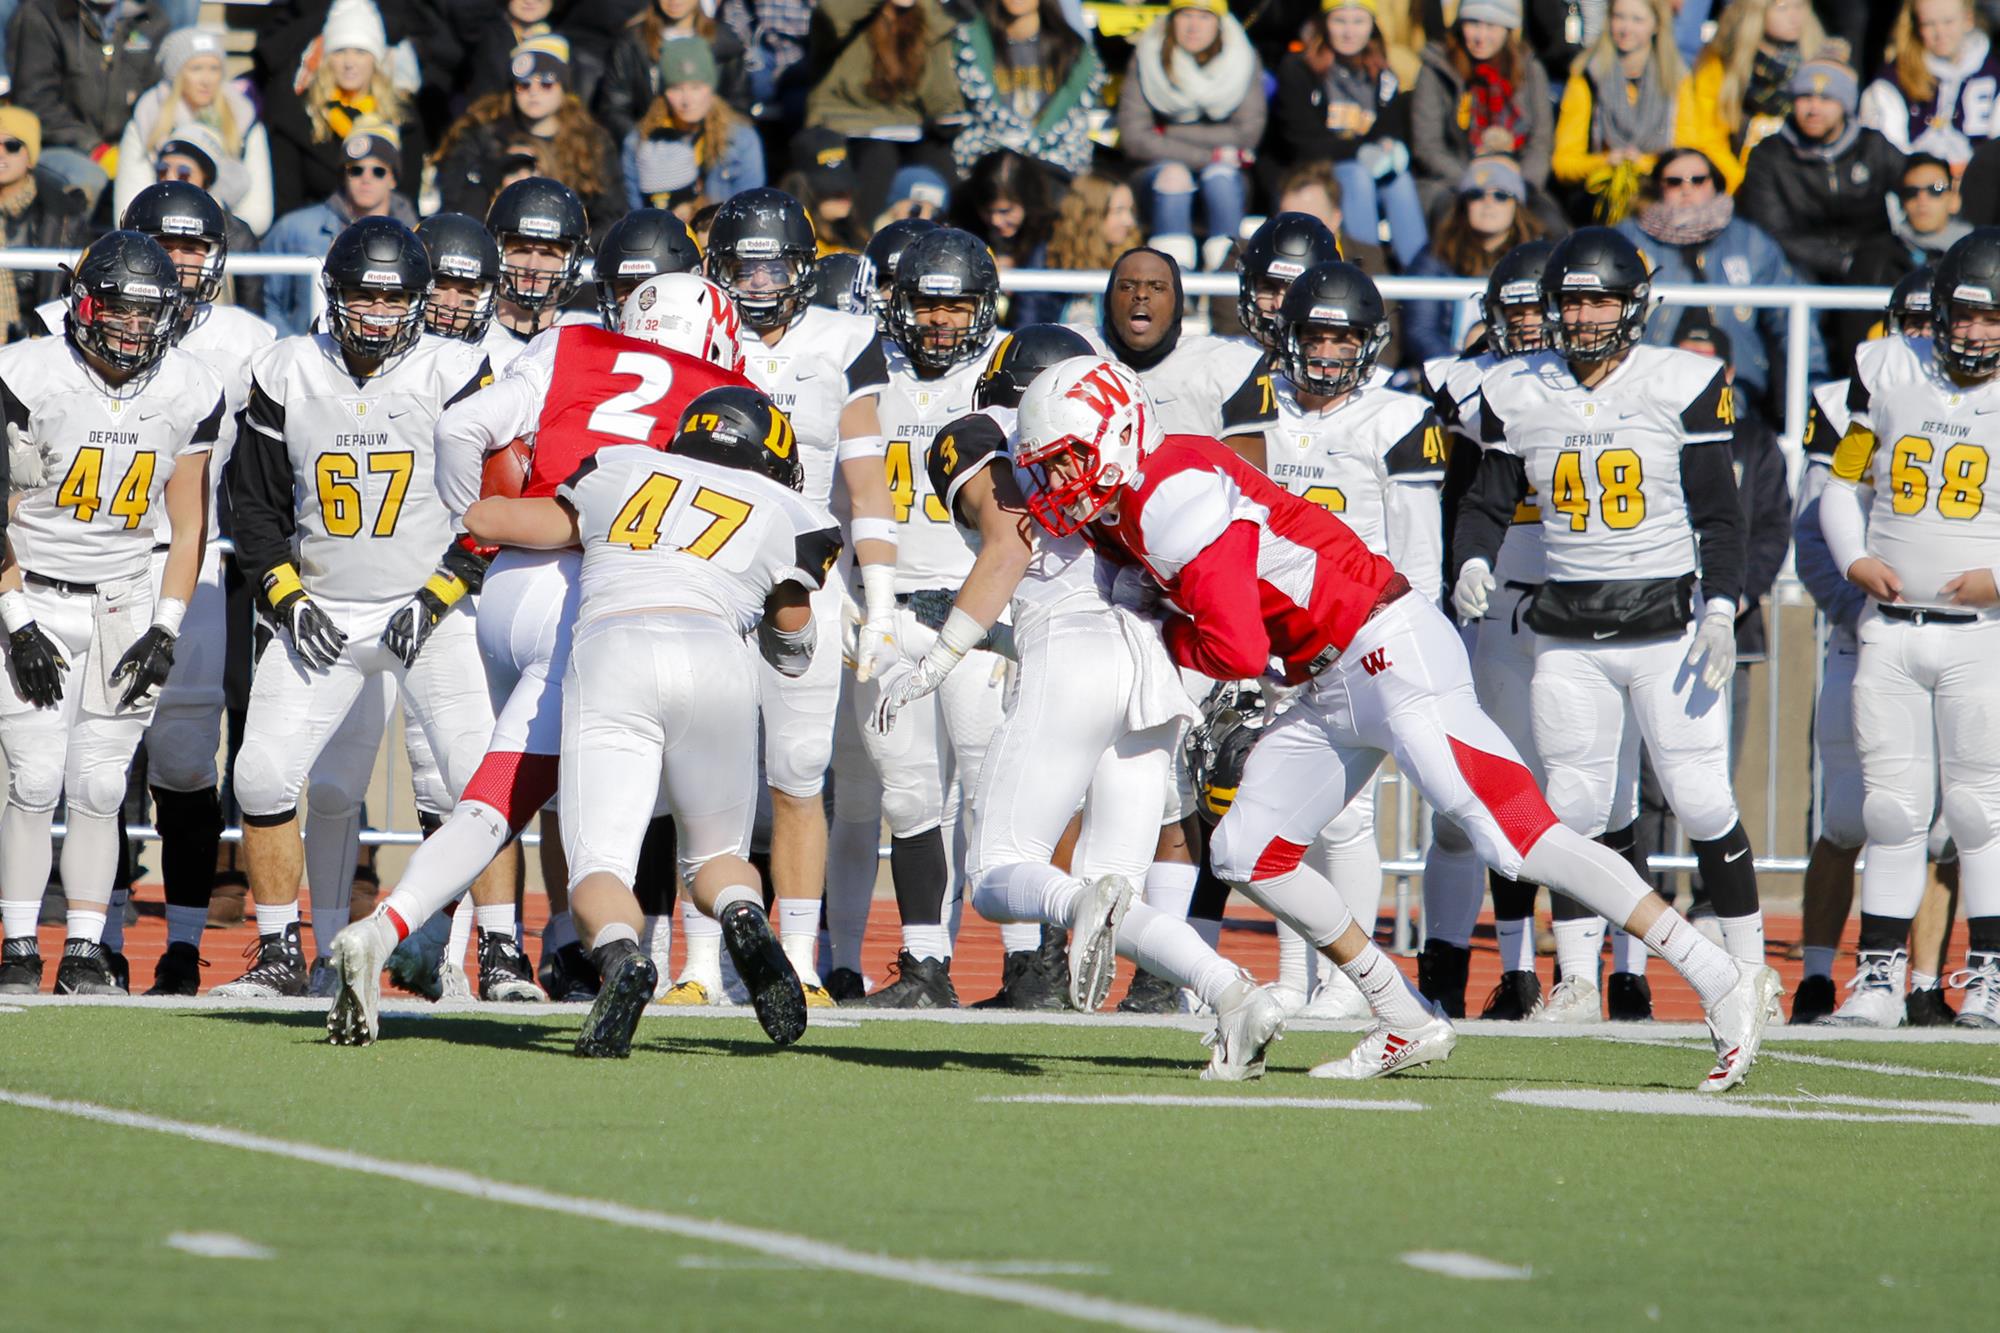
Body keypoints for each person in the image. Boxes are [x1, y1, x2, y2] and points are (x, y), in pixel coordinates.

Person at [1013, 355, 1783, 1088]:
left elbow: (1238, 644)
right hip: (1322, 680)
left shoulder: (1172, 489)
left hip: (1386, 648)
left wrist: (1163, 628)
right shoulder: (1126, 501)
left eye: (1066, 457)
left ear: (1117, 432)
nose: (1058, 480)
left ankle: (1722, 976)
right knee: (1247, 851)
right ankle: (1402, 1014)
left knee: (1514, 836)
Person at [340, 385, 834, 1056]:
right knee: (718, 858)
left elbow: (492, 522)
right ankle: (745, 914)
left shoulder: (622, 467)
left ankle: (622, 953)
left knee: (598, 866)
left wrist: (485, 493)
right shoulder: (790, 508)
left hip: (610, 652)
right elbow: (793, 644)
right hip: (714, 655)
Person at [328, 271, 756, 1021]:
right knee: (542, 797)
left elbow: (460, 429)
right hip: (601, 595)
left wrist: (476, 524)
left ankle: (426, 927)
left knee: (518, 785)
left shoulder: (570, 341)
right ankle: (408, 926)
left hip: (512, 585)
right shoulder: (722, 389)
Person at [872, 328, 1291, 1058]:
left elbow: (1012, 551)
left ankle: (1073, 903)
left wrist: (938, 658)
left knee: (999, 873)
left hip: (1073, 656)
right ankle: (1232, 992)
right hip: (1150, 665)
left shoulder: (980, 435)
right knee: (1117, 892)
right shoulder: (1114, 450)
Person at [1453, 226, 1767, 1024]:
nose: (1585, 315)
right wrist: (1473, 559)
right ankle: (1580, 981)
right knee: (1574, 809)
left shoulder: (1680, 380)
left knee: (1699, 799)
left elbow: (1719, 515)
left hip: (1667, 627)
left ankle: (1754, 970)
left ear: (1634, 304)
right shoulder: (1518, 388)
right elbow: (1488, 500)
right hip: (1568, 632)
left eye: (1599, 299)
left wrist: (1724, 606)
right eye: (1571, 299)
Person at [209, 218, 500, 999]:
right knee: (264, 774)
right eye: (363, 295)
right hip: (323, 608)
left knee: (476, 778)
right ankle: (277, 955)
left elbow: (500, 499)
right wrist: (283, 593)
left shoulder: (458, 368)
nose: (376, 312)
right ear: (333, 295)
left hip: (429, 608)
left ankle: (470, 959)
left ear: (418, 301)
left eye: (392, 297)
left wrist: (445, 588)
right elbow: (256, 505)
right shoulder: (286, 367)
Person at [0, 232, 221, 997]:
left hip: (126, 595)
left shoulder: (188, 386)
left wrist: (166, 625)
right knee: (31, 776)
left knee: (98, 785)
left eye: (146, 314)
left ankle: (88, 950)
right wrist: (14, 613)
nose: (131, 328)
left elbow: (189, 525)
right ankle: (21, 944)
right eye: (118, 310)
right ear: (85, 302)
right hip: (31, 590)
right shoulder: (27, 372)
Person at [701, 188, 902, 1004]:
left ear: (801, 269)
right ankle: (698, 964)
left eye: (772, 264)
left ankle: (797, 959)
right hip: (709, 577)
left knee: (799, 769)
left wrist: (880, 596)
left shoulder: (845, 342)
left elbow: (865, 479)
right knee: (707, 775)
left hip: (807, 583)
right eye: (741, 265)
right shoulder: (697, 331)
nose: (754, 282)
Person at [1254, 263, 1450, 1017]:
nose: (1328, 351)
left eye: (1343, 336)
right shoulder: (1258, 408)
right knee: (1273, 810)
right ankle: (1293, 975)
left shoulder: (1395, 419)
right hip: (1272, 636)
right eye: (1315, 334)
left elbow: (1418, 555)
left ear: (1367, 344)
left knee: (1344, 817)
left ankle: (1347, 979)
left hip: (1356, 635)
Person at [1817, 228, 2000, 1031]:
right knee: (1891, 811)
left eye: (1994, 318)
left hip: (1981, 629)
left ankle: (1990, 975)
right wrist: (1853, 557)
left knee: (1979, 809)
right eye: (1965, 314)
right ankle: (1879, 977)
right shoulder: (1890, 370)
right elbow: (1839, 480)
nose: (1976, 331)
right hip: (1888, 627)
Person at [110, 183, 278, 995]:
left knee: (182, 761)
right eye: (164, 243)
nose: (180, 262)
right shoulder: (60, 335)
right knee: (90, 758)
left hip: (198, 556)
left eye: (194, 247)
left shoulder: (248, 341)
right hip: (91, 555)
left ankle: (180, 946)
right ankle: (95, 935)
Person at [846, 226, 1010, 1007]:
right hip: (888, 609)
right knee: (909, 796)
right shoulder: (865, 368)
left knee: (992, 795)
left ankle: (1032, 966)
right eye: (926, 303)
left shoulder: (1009, 372)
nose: (941, 320)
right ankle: (924, 963)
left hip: (979, 617)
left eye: (958, 305)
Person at [1417, 238, 1564, 1019]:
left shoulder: (1598, 386)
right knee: (1457, 803)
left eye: (1549, 308)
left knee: (1555, 795)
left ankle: (1537, 971)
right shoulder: (1457, 382)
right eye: (1521, 310)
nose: (1536, 325)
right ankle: (1442, 961)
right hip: (1478, 598)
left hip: (1570, 604)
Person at [1620, 146, 1826, 415]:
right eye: (1674, 182)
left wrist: (1813, 388)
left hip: (1737, 390)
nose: (1687, 189)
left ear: (1715, 184)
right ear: (1658, 188)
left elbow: (1791, 321)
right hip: (1649, 390)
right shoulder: (1628, 240)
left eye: (1698, 180)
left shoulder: (1750, 241)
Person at [1083, 247, 1274, 466]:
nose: (1141, 295)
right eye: (1127, 286)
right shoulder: (1070, 352)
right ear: (1108, 299)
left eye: (1157, 287)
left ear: (1177, 303)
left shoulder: (1230, 368)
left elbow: (1245, 492)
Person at [1271, 0, 1427, 267]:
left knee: (1398, 180)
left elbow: (1390, 130)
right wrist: (1361, 150)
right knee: (1357, 174)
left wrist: (1390, 147)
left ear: (1372, 27)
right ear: (1324, 24)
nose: (1349, 32)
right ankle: (1365, 270)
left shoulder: (1384, 76)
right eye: (1340, 21)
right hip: (1313, 170)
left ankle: (1422, 275)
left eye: (1358, 22)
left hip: (1367, 171)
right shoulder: (1298, 68)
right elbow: (1303, 142)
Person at [1118, 0, 1266, 276]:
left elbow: (1247, 134)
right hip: (1156, 173)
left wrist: (1170, 133)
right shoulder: (1148, 56)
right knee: (1174, 176)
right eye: (1186, 14)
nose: (1193, 26)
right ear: (1173, 18)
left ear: (1219, 23)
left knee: (1220, 177)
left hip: (1226, 173)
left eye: (1204, 16)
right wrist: (1210, 154)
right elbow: (1136, 137)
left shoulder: (1242, 58)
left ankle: (1226, 277)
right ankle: (1174, 278)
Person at [1737, 56, 1907, 288]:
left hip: (1872, 266)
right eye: (1805, 97)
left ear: (1845, 104)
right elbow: (1773, 231)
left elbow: (1915, 186)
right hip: (1800, 271)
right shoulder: (1769, 155)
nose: (1814, 109)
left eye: (1826, 99)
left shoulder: (1872, 146)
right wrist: (1843, 262)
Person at [436, 34, 626, 230]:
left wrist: (574, 244)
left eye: (546, 83)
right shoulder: (481, 135)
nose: (533, 92)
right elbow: (456, 210)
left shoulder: (592, 140)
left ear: (564, 87)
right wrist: (491, 175)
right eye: (523, 84)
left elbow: (611, 215)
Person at [803, 0, 963, 225]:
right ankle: (866, 243)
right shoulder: (845, 17)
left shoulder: (927, 16)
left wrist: (948, 116)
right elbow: (830, 15)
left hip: (907, 127)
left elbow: (941, 97)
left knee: (939, 157)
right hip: (845, 121)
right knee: (878, 156)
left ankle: (954, 244)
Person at [262, 2, 422, 221]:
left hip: (384, 233)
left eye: (360, 52)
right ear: (326, 58)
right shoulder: (297, 117)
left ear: (375, 59)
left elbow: (407, 196)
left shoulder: (403, 119)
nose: (349, 63)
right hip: (315, 236)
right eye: (340, 51)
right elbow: (287, 205)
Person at [6, 0, 171, 207]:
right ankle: (71, 238)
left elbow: (157, 98)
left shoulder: (152, 18)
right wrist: (93, 148)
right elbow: (36, 102)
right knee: (87, 178)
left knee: (174, 172)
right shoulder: (43, 14)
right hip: (58, 146)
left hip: (128, 145)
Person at [262, 120, 418, 338]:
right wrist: (294, 346)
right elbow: (265, 297)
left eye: (378, 171)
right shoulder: (294, 228)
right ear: (344, 176)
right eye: (356, 170)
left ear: (393, 178)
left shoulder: (416, 238)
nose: (366, 178)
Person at [112, 26, 274, 236]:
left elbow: (258, 214)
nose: (206, 80)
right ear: (176, 74)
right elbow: (128, 209)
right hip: (157, 236)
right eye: (196, 68)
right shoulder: (147, 119)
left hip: (228, 237)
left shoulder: (245, 120)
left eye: (214, 68)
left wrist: (214, 225)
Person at [1409, 0, 1559, 226]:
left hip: (1518, 179)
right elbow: (1428, 144)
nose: (1480, 36)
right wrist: (1472, 180)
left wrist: (1519, 184)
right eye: (1473, 23)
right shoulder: (1438, 67)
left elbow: (1541, 140)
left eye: (1491, 26)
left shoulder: (1529, 69)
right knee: (1452, 223)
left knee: (1549, 224)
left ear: (1507, 28)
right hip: (1452, 180)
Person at [1675, 0, 1831, 193]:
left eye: (1800, 5)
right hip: (1738, 186)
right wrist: (1743, 184)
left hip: (1805, 187)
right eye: (1782, 7)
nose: (1795, 16)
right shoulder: (1719, 65)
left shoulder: (1824, 66)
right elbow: (1704, 139)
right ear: (1755, 12)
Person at [1551, 0, 1686, 224]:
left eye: (1637, 20)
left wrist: (1642, 163)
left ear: (1656, 25)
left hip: (1661, 189)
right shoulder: (1587, 75)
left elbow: (1688, 149)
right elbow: (1563, 163)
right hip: (1602, 195)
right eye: (1619, 17)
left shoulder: (1677, 78)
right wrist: (1606, 161)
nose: (1625, 28)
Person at [1405, 157, 1548, 366]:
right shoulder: (1435, 255)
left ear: (1517, 205)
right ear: (1463, 205)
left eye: (1501, 195)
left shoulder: (1542, 257)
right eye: (1476, 195)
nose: (1488, 204)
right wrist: (1459, 369)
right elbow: (1420, 329)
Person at [950, 0, 1105, 180]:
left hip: (1055, 166)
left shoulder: (1072, 50)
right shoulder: (974, 44)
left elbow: (1071, 128)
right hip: (991, 166)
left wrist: (1035, 142)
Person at [620, 37, 763, 211]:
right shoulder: (638, 142)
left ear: (711, 88)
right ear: (664, 92)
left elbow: (749, 210)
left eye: (696, 87)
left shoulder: (742, 139)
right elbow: (634, 214)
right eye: (676, 88)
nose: (686, 100)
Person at [1858, 0, 2000, 166]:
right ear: (1916, 26)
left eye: (1948, 22)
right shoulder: (1894, 80)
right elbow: (1885, 158)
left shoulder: (1993, 73)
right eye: (1929, 24)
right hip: (1917, 184)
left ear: (1968, 20)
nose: (1940, 33)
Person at [598, 0, 754, 141]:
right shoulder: (632, 43)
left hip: (711, 146)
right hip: (651, 148)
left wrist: (715, 143)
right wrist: (641, 143)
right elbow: (614, 107)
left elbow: (738, 107)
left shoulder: (725, 43)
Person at [0, 108, 89, 346]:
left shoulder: (62, 214)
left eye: (12, 145)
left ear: (30, 156)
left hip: (38, 342)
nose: (1, 153)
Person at [484, 176, 596, 362]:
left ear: (571, 261)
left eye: (548, 254)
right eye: (521, 251)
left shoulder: (587, 334)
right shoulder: (470, 336)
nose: (532, 267)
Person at [950, 149, 1060, 325]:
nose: (996, 221)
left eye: (1005, 211)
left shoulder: (1053, 223)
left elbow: (1034, 304)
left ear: (1026, 201)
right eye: (987, 211)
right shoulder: (962, 213)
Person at [1042, 171, 1138, 324]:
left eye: (1130, 210)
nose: (1129, 221)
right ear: (1091, 215)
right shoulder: (1046, 259)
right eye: (1119, 211)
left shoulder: (1135, 262)